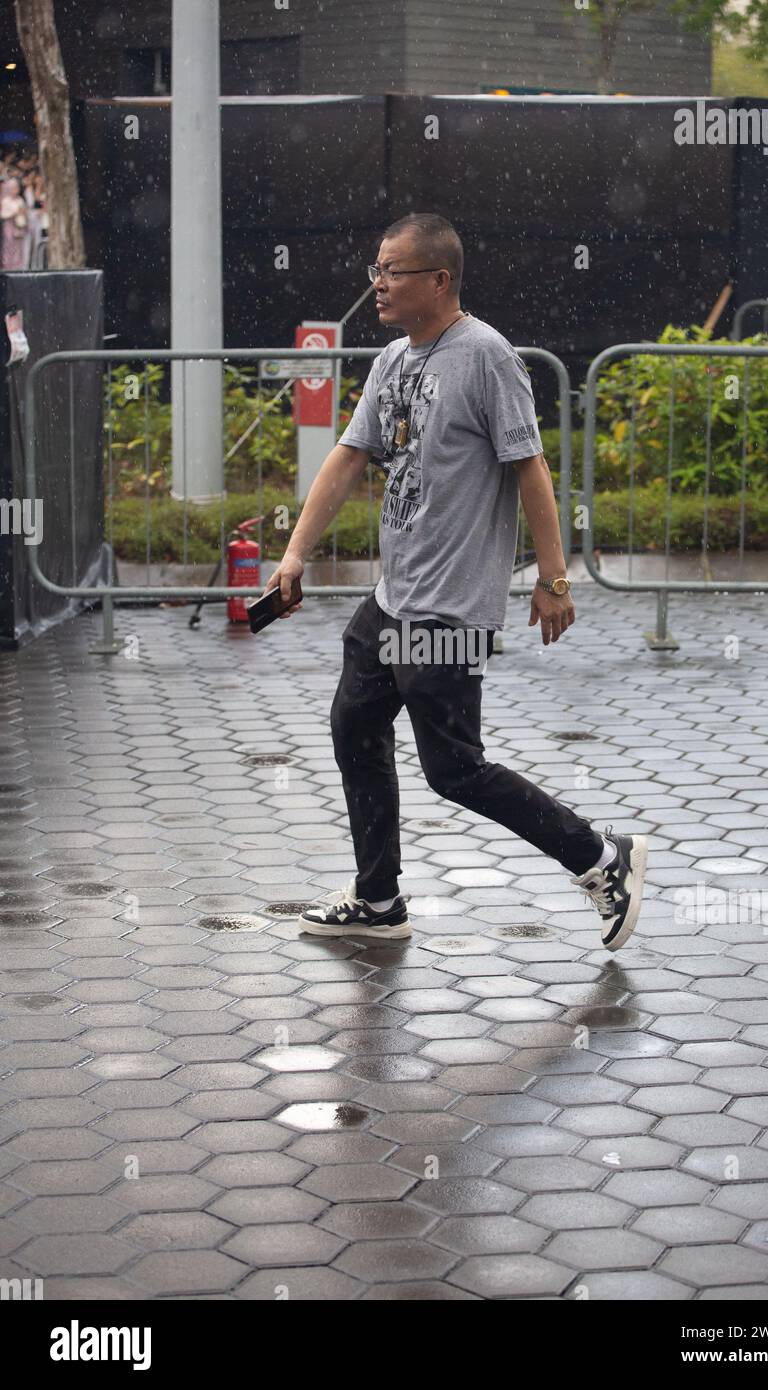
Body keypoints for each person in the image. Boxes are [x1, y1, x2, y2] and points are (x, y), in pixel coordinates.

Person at [264, 213, 648, 949]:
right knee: (355, 725)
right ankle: (378, 899)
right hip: (392, 600)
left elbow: (529, 466)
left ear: (438, 280)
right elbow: (349, 457)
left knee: (455, 769)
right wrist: (294, 555)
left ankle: (602, 859)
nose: (377, 284)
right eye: (375, 269)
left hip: (450, 610)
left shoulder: (486, 356)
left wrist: (555, 580)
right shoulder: (391, 362)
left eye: (393, 271)